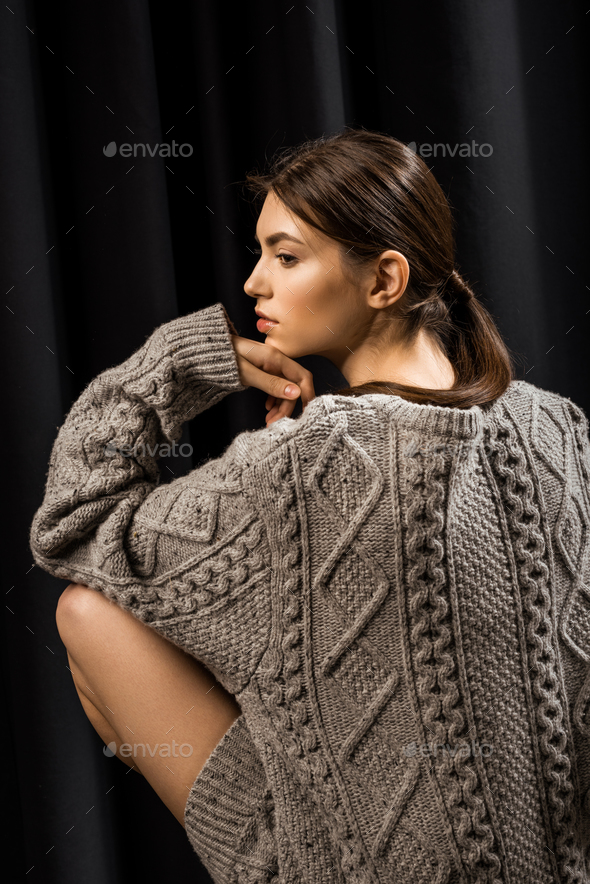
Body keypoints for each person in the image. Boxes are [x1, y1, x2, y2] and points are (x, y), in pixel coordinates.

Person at [30, 129, 590, 883]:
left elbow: (74, 523)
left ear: (385, 280)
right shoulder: (556, 427)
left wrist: (178, 366)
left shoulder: (301, 468)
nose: (255, 283)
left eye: (286, 256)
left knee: (87, 611)